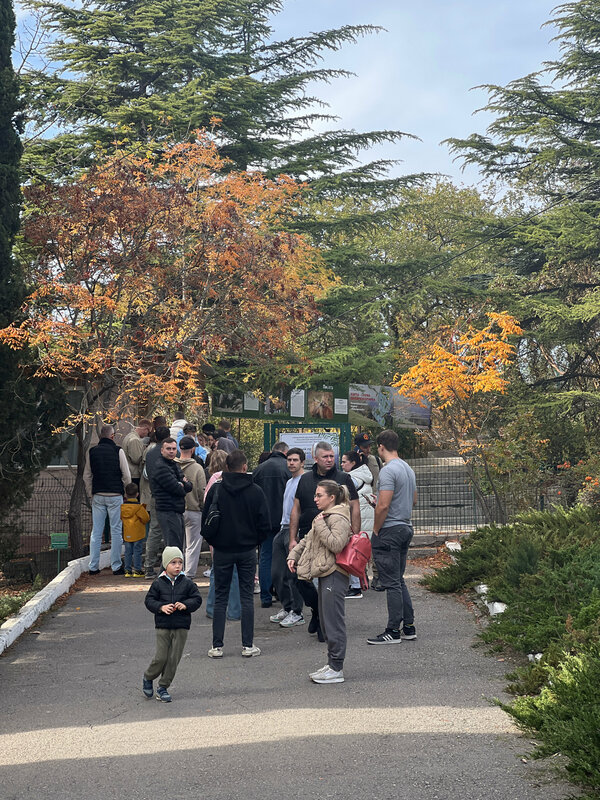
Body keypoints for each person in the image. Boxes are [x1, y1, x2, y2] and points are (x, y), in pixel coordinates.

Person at [202, 449, 271, 658]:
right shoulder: (256, 491)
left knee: (221, 596)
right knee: (247, 597)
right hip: (247, 549)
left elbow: (206, 522)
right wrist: (254, 542)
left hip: (222, 550)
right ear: (245, 467)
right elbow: (265, 524)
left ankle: (217, 646)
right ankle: (248, 645)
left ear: (226, 467)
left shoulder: (217, 489)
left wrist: (215, 542)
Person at [288, 441, 360, 639]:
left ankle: (327, 628)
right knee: (299, 578)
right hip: (309, 536)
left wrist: (355, 535)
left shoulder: (343, 478)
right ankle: (317, 610)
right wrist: (292, 538)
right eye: (325, 457)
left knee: (327, 582)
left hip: (334, 539)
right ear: (316, 458)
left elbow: (354, 506)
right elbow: (296, 509)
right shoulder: (305, 480)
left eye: (332, 456)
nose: (330, 460)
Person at [287, 480, 351, 684]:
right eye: (315, 495)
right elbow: (307, 539)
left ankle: (336, 667)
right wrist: (293, 555)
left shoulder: (338, 517)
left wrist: (321, 524)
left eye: (319, 495)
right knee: (325, 620)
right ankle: (332, 664)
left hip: (335, 573)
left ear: (332, 497)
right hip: (325, 572)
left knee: (333, 621)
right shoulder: (324, 516)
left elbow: (336, 544)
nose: (315, 499)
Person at [367, 429, 418, 645]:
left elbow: (384, 506)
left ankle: (393, 631)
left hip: (389, 530)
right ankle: (408, 626)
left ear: (381, 447)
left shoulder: (388, 471)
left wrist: (376, 529)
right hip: (405, 527)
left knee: (391, 583)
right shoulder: (407, 468)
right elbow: (413, 500)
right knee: (398, 579)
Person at [143, 546, 202, 702]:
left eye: (180, 562)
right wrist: (161, 607)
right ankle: (148, 676)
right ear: (165, 564)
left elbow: (197, 599)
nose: (177, 566)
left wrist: (186, 605)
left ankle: (163, 687)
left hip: (181, 626)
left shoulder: (187, 582)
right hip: (163, 625)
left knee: (173, 659)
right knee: (161, 657)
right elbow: (149, 600)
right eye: (173, 563)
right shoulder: (158, 583)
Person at [84, 424, 131, 575]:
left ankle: (93, 566)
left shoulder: (92, 451)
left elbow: (87, 475)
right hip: (115, 495)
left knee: (96, 531)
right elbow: (126, 475)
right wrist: (126, 492)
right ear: (112, 436)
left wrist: (91, 493)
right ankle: (116, 566)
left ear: (100, 436)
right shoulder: (118, 451)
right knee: (116, 531)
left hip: (98, 495)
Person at [269, 447, 306, 628]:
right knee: (277, 573)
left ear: (302, 462)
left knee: (293, 575)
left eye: (295, 460)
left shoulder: (304, 481)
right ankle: (287, 607)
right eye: (289, 460)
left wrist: (296, 535)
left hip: (294, 531)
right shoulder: (290, 481)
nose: (291, 463)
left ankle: (297, 612)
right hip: (282, 528)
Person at [252, 441, 291, 608]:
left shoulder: (259, 469)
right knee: (287, 557)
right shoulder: (288, 468)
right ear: (285, 452)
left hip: (265, 521)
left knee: (265, 557)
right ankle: (284, 594)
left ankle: (266, 596)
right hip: (285, 520)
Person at [341, 450, 374, 598]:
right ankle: (358, 583)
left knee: (352, 551)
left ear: (353, 463)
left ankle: (355, 587)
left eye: (344, 462)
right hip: (364, 520)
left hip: (357, 520)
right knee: (356, 551)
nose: (342, 465)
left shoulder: (353, 479)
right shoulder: (363, 474)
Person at [151, 437, 193, 551]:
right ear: (162, 450)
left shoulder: (174, 464)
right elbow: (178, 489)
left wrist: (183, 484)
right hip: (167, 511)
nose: (171, 451)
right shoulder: (161, 467)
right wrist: (182, 484)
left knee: (177, 548)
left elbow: (189, 486)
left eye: (174, 449)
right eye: (168, 448)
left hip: (176, 510)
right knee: (173, 549)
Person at [141, 425, 170, 579]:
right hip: (170, 496)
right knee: (172, 532)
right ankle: (171, 565)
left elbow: (146, 474)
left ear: (156, 437)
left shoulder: (150, 453)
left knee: (154, 530)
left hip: (155, 494)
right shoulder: (173, 453)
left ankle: (148, 566)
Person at [176, 436, 207, 579]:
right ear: (193, 449)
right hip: (193, 509)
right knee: (193, 545)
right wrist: (202, 506)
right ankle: (188, 574)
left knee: (178, 544)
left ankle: (177, 571)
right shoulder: (197, 468)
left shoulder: (172, 466)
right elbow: (201, 490)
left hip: (176, 509)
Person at [121, 482, 150, 577]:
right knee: (137, 551)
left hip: (127, 533)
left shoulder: (122, 507)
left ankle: (127, 570)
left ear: (125, 494)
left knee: (128, 552)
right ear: (137, 494)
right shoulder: (139, 507)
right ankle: (137, 570)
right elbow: (146, 518)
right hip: (138, 533)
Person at [121, 419, 152, 487]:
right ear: (145, 429)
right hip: (134, 474)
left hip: (129, 472)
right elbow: (136, 459)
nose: (147, 435)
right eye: (148, 432)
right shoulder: (135, 440)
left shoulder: (129, 436)